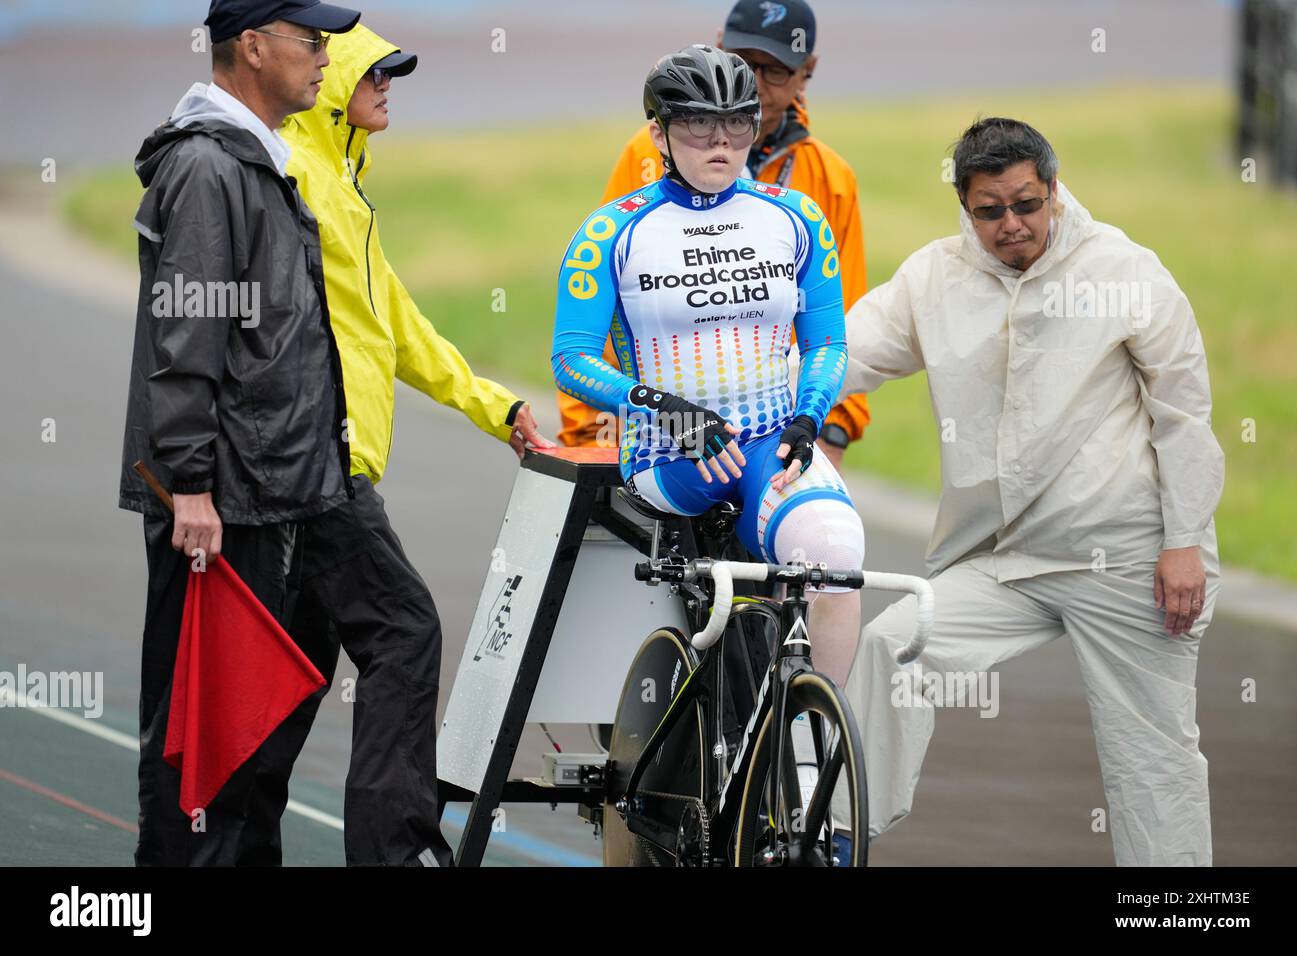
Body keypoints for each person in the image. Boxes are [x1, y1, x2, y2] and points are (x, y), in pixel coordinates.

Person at [838, 118, 1224, 865]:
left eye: (1027, 203)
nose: (1012, 225)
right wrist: (732, 401)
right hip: (1004, 558)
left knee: (1153, 760)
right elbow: (841, 358)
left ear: (1053, 186)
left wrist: (1184, 544)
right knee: (894, 645)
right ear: (964, 204)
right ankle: (837, 837)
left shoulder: (1126, 270)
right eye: (991, 210)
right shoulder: (933, 278)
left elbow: (1185, 419)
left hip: (1126, 557)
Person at [270, 23, 553, 866]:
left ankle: (224, 840)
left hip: (328, 462)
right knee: (405, 630)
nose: (389, 85)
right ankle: (393, 856)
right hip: (315, 462)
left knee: (291, 674)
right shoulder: (295, 175)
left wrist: (493, 406)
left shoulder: (345, 188)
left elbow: (397, 327)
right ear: (330, 84)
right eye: (375, 73)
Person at [119, 0, 362, 866]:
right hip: (220, 505)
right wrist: (189, 486)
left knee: (250, 733)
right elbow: (188, 338)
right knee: (205, 742)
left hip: (271, 495)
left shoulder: (256, 158)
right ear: (252, 46)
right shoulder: (206, 170)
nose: (326, 57)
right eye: (312, 40)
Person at [552, 45, 864, 683]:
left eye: (737, 124)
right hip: (668, 452)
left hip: (769, 442)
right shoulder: (612, 230)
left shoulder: (796, 215)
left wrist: (808, 419)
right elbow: (571, 360)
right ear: (659, 132)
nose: (720, 142)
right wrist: (663, 411)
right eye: (698, 124)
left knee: (835, 551)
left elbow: (828, 343)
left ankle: (808, 745)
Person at [556, 0, 871, 470]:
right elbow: (609, 308)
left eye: (777, 70)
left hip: (779, 430)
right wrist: (592, 430)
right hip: (658, 429)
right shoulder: (646, 156)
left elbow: (844, 319)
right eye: (746, 63)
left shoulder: (829, 177)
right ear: (720, 50)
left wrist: (832, 428)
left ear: (808, 70)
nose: (758, 85)